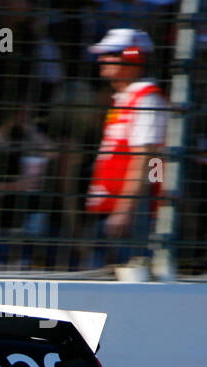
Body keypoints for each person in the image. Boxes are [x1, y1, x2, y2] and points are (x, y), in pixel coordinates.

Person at [85, 27, 168, 267]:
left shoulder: (147, 99)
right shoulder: (124, 99)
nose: (101, 59)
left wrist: (125, 210)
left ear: (133, 57)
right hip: (111, 213)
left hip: (131, 218)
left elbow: (146, 158)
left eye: (110, 53)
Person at [0, 67, 53, 268]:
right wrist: (17, 186)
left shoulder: (18, 139)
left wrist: (29, 128)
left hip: (17, 230)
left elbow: (51, 152)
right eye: (25, 108)